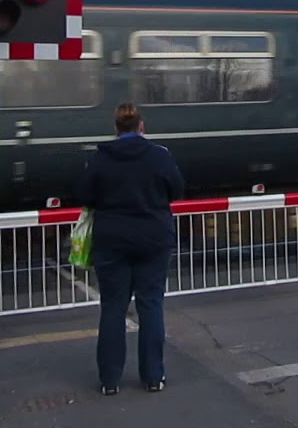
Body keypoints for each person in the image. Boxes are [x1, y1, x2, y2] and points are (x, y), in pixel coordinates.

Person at [75, 103, 186, 395]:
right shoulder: (159, 157)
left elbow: (85, 196)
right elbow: (177, 190)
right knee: (151, 305)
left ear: (116, 128)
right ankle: (153, 377)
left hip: (112, 241)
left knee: (112, 307)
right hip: (153, 239)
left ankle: (109, 381)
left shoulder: (101, 158)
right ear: (142, 126)